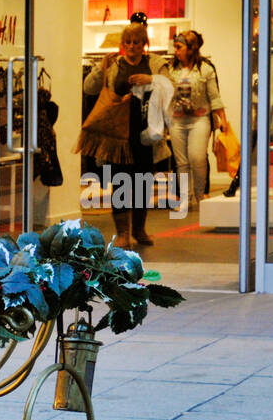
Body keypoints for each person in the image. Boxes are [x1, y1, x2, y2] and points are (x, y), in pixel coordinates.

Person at [82, 21, 171, 249]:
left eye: (137, 42)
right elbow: (89, 88)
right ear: (123, 44)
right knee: (120, 181)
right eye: (128, 42)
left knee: (143, 181)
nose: (132, 46)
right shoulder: (113, 64)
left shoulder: (156, 64)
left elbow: (172, 86)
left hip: (146, 132)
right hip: (117, 133)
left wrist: (151, 80)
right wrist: (100, 69)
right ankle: (122, 233)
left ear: (144, 44)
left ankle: (139, 229)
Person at [166, 30, 227, 215]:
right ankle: (185, 199)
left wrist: (222, 120)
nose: (175, 51)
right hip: (176, 121)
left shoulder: (206, 69)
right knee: (181, 162)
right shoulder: (170, 69)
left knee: (197, 157)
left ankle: (201, 196)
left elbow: (214, 97)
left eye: (179, 47)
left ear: (191, 48)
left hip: (200, 119)